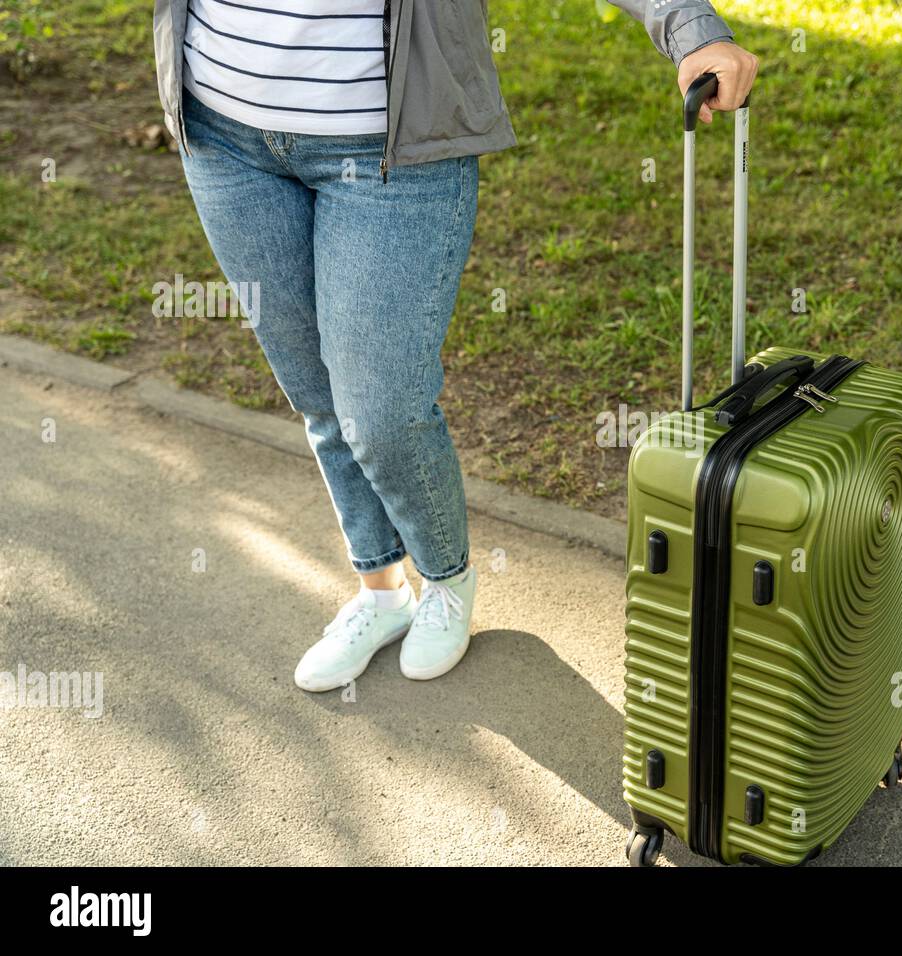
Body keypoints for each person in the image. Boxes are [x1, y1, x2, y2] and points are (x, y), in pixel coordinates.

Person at [150, 0, 758, 691]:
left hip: (396, 146)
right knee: (317, 395)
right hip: (220, 131)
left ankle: (445, 579)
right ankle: (380, 591)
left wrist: (690, 28)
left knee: (380, 409)